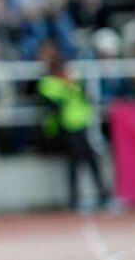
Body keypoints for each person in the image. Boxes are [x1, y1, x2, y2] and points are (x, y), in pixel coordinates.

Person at [35, 49, 111, 213]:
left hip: (80, 125)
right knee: (74, 162)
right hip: (63, 128)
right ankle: (75, 198)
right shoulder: (48, 83)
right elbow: (55, 105)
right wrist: (67, 87)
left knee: (90, 159)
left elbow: (84, 98)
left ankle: (102, 195)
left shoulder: (73, 81)